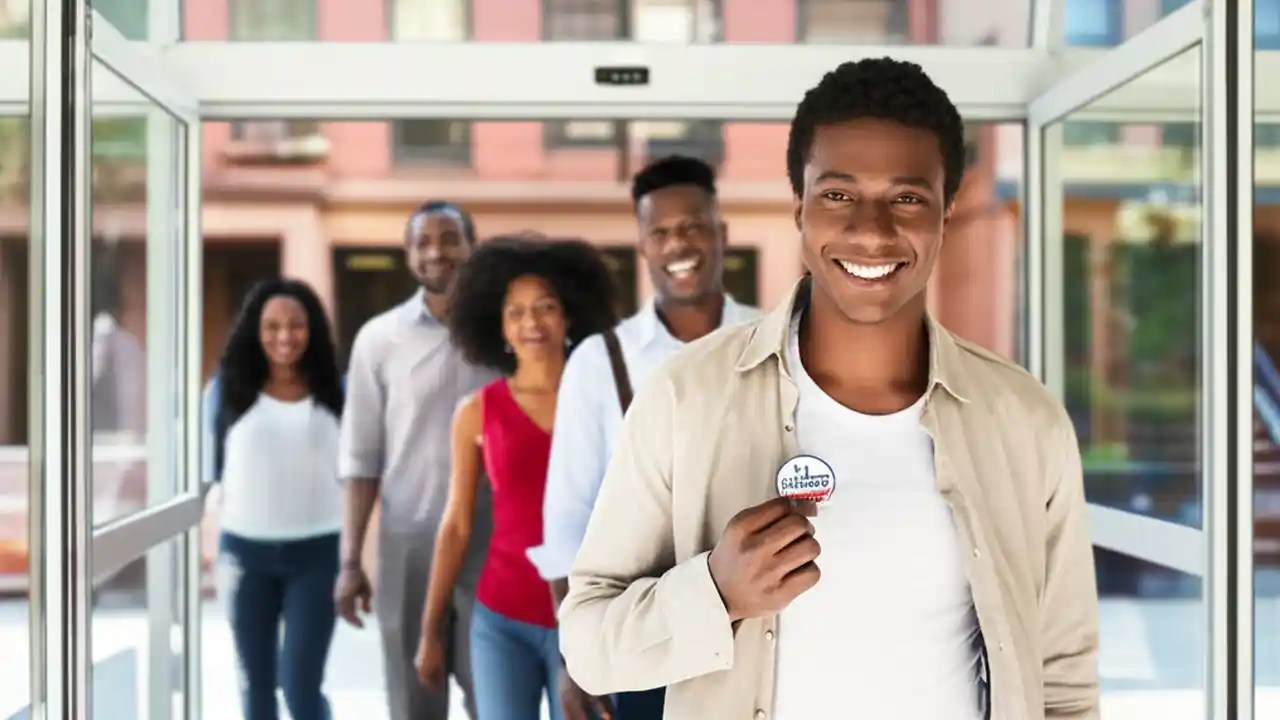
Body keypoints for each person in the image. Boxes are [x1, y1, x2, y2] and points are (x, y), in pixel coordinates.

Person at [558, 58, 1100, 720]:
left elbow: (1065, 681)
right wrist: (717, 593)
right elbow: (588, 645)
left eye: (907, 198)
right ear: (800, 209)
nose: (871, 230)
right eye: (839, 195)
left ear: (946, 213)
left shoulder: (1026, 422)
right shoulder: (685, 398)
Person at [526, 155, 759, 719]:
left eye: (693, 226)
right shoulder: (600, 361)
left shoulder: (773, 338)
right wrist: (576, 657)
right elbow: (567, 521)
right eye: (660, 232)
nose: (678, 244)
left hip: (759, 628)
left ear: (721, 234)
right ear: (643, 246)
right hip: (642, 630)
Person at [415, 236, 619, 720]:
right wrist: (430, 629)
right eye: (516, 312)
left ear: (569, 316)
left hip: (589, 613)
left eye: (546, 307)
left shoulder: (605, 399)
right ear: (500, 327)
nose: (532, 322)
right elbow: (456, 527)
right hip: (501, 619)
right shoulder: (476, 412)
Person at [335, 201, 497, 720]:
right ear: (407, 254)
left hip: (490, 542)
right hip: (408, 546)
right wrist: (349, 562)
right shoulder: (378, 340)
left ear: (472, 247)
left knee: (492, 697)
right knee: (412, 702)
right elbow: (362, 461)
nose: (436, 253)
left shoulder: (507, 331)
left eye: (449, 239)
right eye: (422, 243)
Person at [204, 279, 346, 720]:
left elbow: (356, 471)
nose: (285, 336)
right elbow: (210, 476)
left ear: (312, 329)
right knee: (257, 688)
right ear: (255, 329)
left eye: (296, 325)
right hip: (246, 556)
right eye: (272, 326)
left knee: (301, 685)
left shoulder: (337, 391)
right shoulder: (226, 391)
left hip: (318, 555)